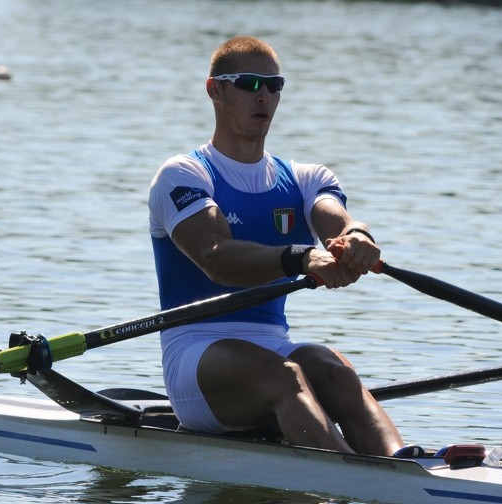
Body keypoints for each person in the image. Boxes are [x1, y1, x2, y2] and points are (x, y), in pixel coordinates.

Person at [148, 36, 416, 457]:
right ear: (215, 90)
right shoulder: (183, 174)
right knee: (285, 376)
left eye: (275, 86)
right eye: (250, 84)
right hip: (196, 356)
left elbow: (340, 222)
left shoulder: (307, 177)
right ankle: (355, 484)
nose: (265, 96)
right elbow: (216, 258)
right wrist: (300, 256)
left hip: (272, 346)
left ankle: (402, 470)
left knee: (337, 374)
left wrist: (358, 239)